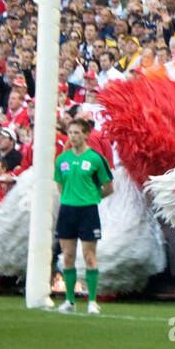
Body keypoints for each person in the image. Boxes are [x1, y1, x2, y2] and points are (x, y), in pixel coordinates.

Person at [54, 116, 114, 314]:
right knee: (68, 256)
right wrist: (70, 197)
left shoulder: (96, 159)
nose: (72, 137)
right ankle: (70, 301)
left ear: (86, 135)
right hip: (67, 211)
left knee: (89, 256)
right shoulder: (62, 159)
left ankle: (92, 301)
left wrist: (92, 197)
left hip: (88, 211)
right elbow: (60, 184)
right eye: (70, 133)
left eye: (76, 133)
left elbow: (108, 187)